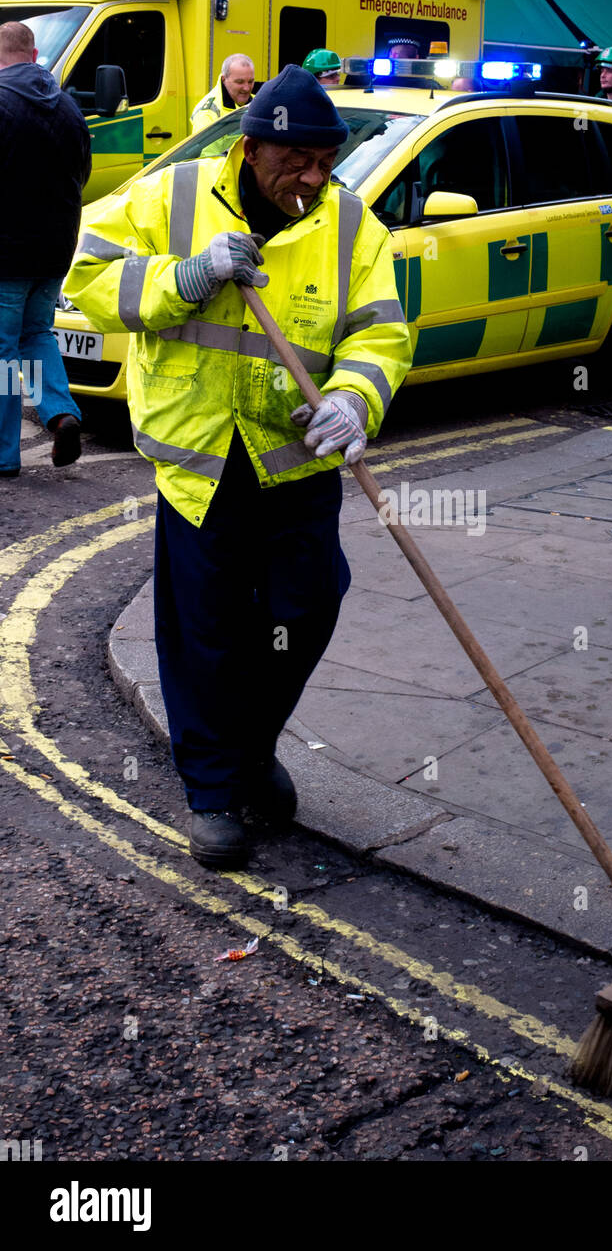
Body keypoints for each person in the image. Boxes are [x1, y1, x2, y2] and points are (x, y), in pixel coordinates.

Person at [65, 65, 414, 869]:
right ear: (251, 148)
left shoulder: (352, 224)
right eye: (297, 160)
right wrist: (183, 277)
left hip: (295, 461)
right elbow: (86, 273)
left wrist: (354, 400)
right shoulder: (172, 196)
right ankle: (215, 793)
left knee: (308, 608)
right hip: (200, 463)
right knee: (208, 634)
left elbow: (381, 334)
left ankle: (251, 747)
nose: (313, 176)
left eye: (326, 159)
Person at [0, 21, 90, 479]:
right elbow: (82, 175)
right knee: (36, 336)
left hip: (6, 252)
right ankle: (59, 412)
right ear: (34, 55)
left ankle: (2, 454)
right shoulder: (70, 108)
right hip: (55, 249)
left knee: (0, 351)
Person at [190, 53, 255, 134]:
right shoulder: (207, 113)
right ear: (224, 79)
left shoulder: (258, 101)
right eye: (240, 82)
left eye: (250, 82)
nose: (247, 88)